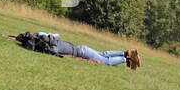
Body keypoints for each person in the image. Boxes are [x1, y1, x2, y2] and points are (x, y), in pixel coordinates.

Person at [9, 32, 141, 69]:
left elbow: (54, 52)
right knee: (103, 54)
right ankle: (127, 54)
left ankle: (126, 58)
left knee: (105, 61)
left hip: (82, 52)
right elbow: (50, 35)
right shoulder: (52, 39)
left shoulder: (53, 45)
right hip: (81, 48)